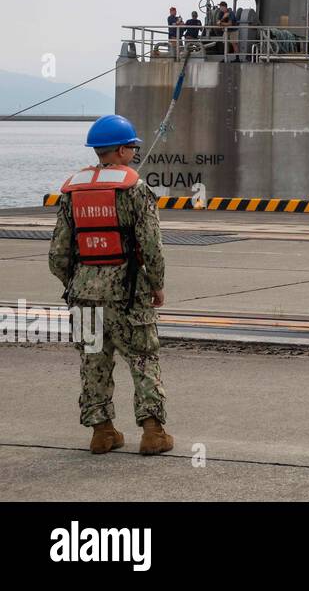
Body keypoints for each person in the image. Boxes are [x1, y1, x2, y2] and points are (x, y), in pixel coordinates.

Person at [47, 114, 174, 455]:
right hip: (129, 294)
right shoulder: (135, 189)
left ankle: (102, 432)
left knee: (93, 361)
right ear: (120, 150)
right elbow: (151, 245)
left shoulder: (71, 190)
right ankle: (152, 432)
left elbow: (58, 253)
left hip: (83, 293)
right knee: (144, 359)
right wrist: (156, 284)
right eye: (132, 147)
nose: (134, 152)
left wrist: (76, 282)